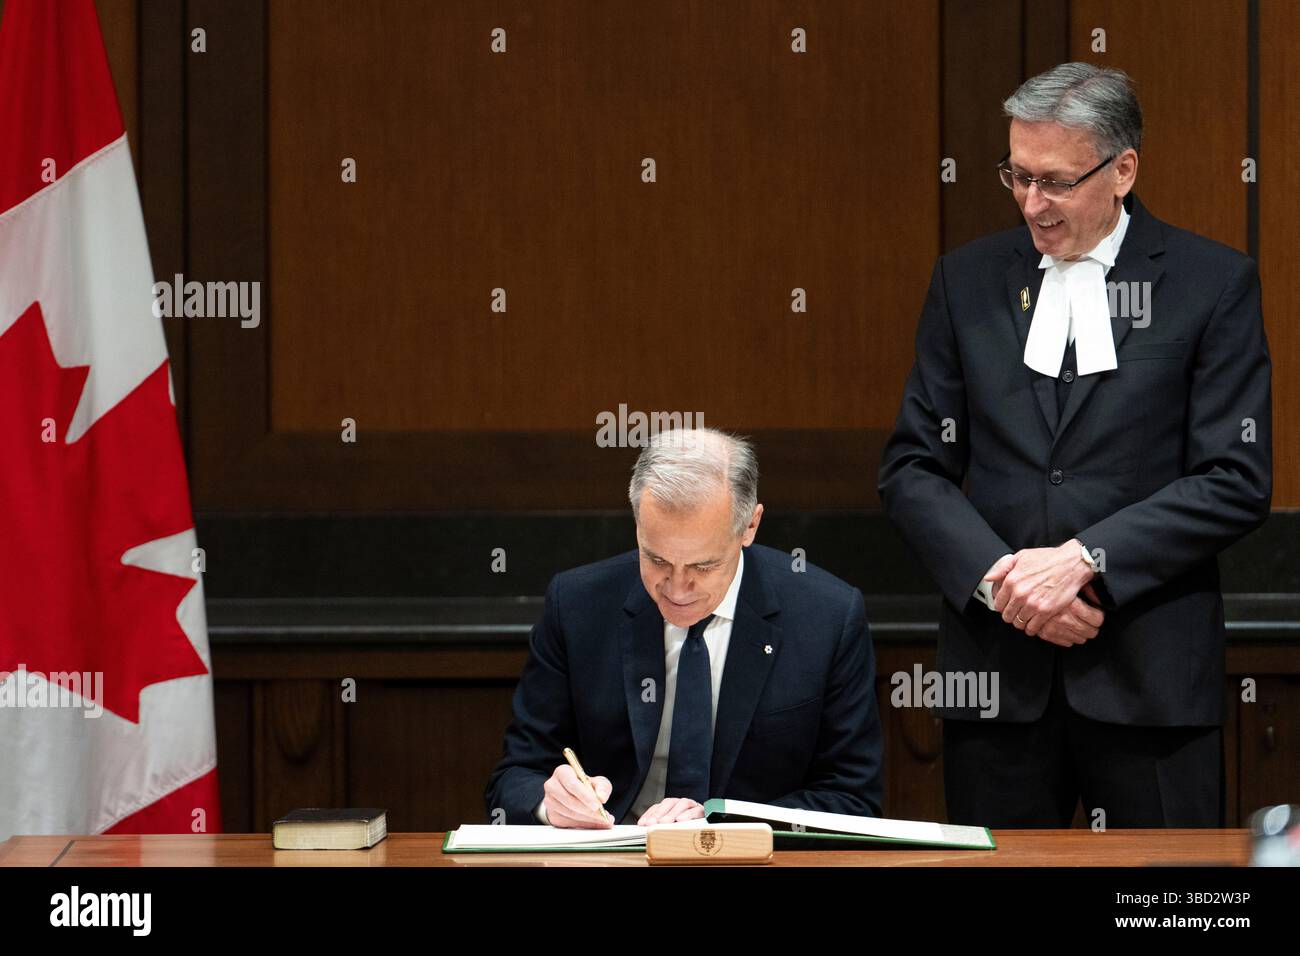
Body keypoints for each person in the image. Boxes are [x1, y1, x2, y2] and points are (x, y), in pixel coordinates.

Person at [878, 62, 1271, 828]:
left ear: (1123, 169)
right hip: (998, 682)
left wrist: (1082, 561)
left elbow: (1234, 476)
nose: (1033, 203)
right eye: (1018, 177)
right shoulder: (968, 280)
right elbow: (911, 466)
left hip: (1149, 680)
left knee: (1164, 911)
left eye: (1056, 181)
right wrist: (1007, 585)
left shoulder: (1210, 283)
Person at [486, 427, 883, 827]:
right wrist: (551, 803)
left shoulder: (827, 616)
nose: (677, 590)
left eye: (703, 566)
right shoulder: (576, 604)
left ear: (750, 526)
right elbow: (514, 777)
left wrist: (718, 824)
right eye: (656, 560)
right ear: (637, 524)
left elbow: (852, 798)